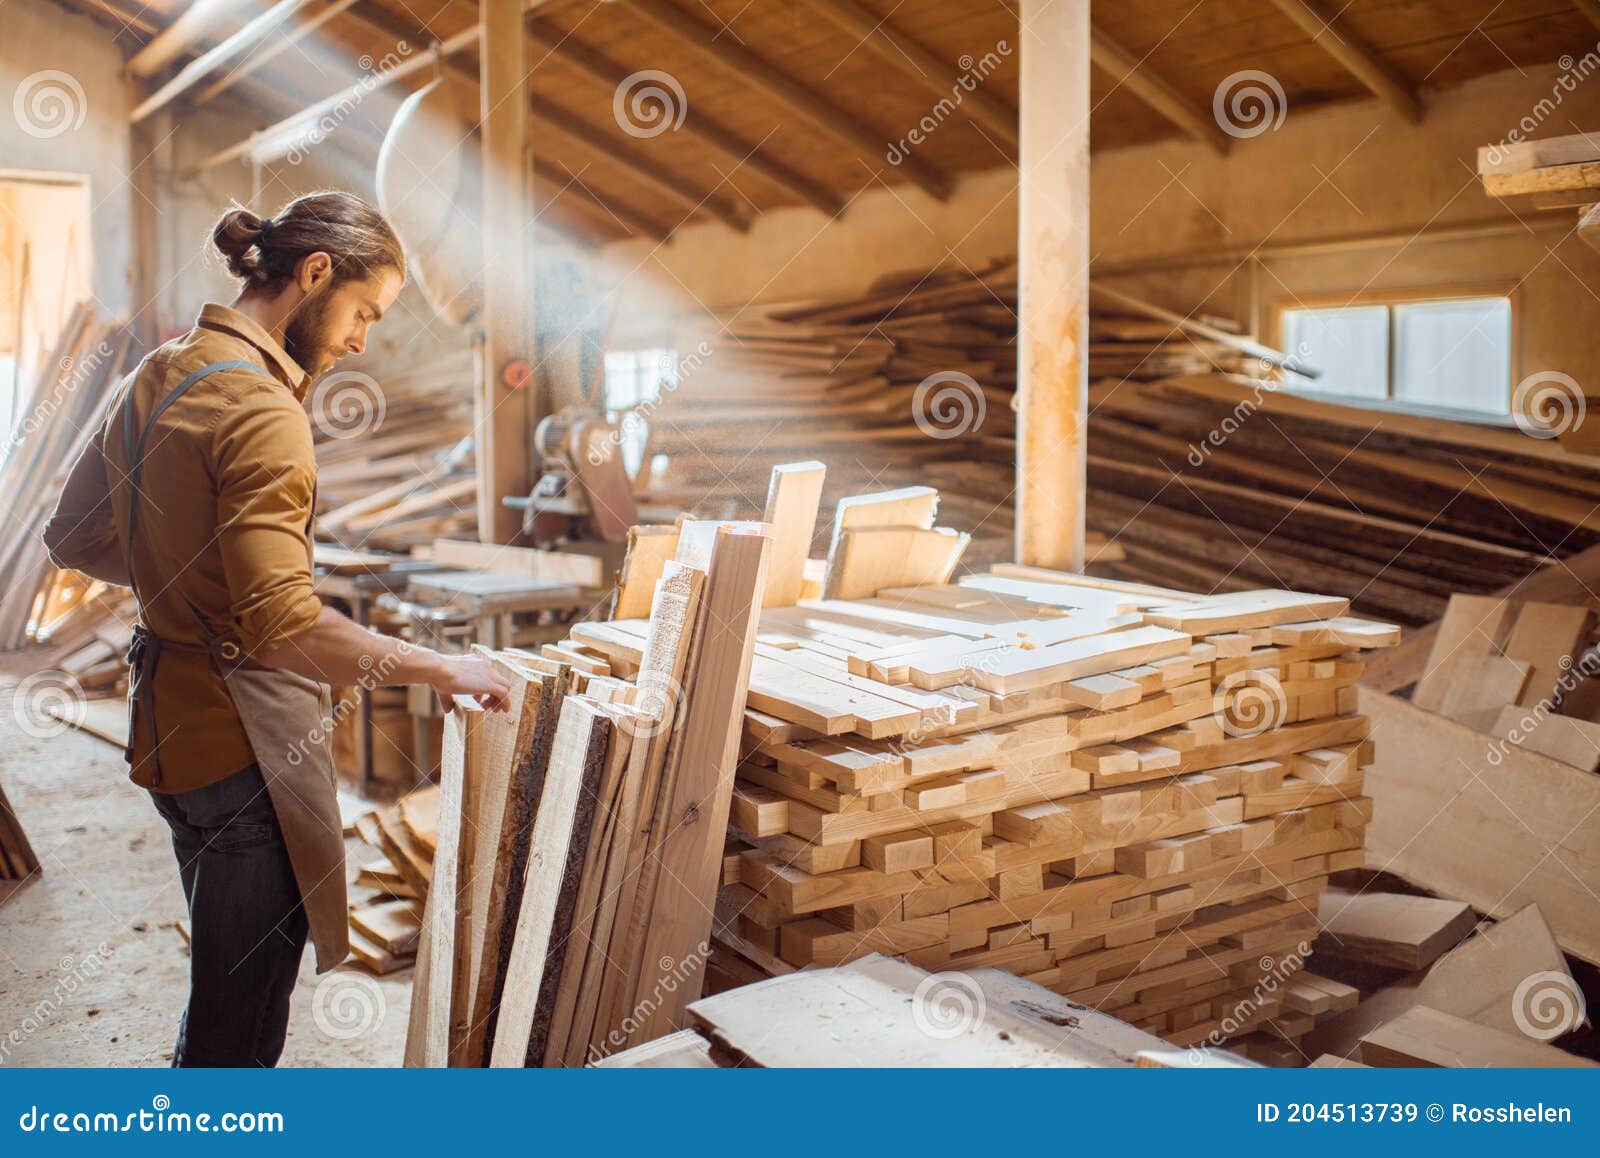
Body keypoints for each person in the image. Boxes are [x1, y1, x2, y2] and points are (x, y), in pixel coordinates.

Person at [43, 191, 510, 1067]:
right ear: (316, 273)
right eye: (364, 312)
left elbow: (75, 537)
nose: (361, 339)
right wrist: (441, 668)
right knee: (240, 1028)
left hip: (167, 729)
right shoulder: (263, 411)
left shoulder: (162, 369)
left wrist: (187, 594)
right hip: (239, 750)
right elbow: (284, 625)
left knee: (222, 989)